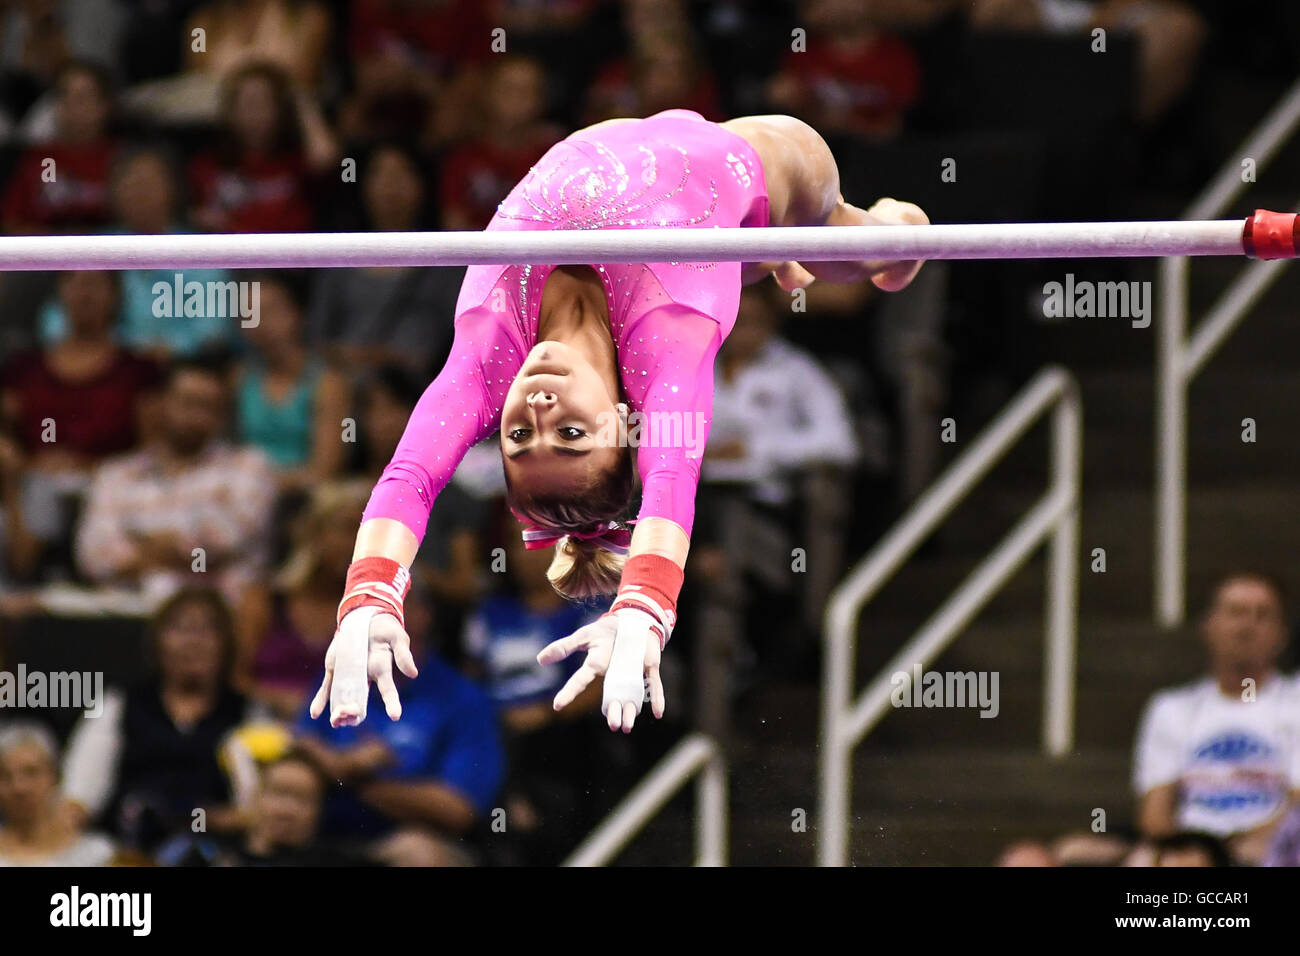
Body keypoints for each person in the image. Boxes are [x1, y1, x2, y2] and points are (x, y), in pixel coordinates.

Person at [311, 108, 929, 735]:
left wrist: (370, 593)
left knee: (754, 261)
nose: (539, 411)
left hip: (668, 197)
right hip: (763, 166)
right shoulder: (670, 341)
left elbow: (411, 474)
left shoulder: (488, 355)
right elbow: (673, 477)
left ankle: (764, 261)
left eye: (519, 437)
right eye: (572, 435)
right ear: (626, 422)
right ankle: (886, 236)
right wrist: (646, 603)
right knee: (870, 250)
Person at [60, 587, 266, 854]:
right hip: (125, 849)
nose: (193, 641)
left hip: (216, 849)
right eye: (180, 629)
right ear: (157, 642)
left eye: (208, 630)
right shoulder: (120, 703)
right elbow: (79, 795)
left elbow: (254, 807)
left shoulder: (248, 712)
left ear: (226, 644)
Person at [74, 353, 277, 605]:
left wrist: (145, 545)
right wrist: (178, 549)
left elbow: (228, 539)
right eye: (188, 403)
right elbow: (93, 556)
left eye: (210, 408)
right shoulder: (116, 474)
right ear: (160, 404)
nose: (197, 417)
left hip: (216, 611)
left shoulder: (248, 466)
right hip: (125, 611)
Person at [1132, 571, 1300, 864]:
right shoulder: (1171, 708)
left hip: (1271, 851)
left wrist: (1226, 852)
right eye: (1236, 613)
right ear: (1208, 626)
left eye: (1262, 615)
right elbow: (1154, 815)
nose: (1247, 626)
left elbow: (1298, 809)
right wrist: (1194, 851)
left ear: (1281, 635)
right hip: (1189, 851)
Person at [0, 722, 116, 867]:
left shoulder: (97, 855)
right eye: (6, 776)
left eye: (32, 772)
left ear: (55, 777)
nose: (19, 787)